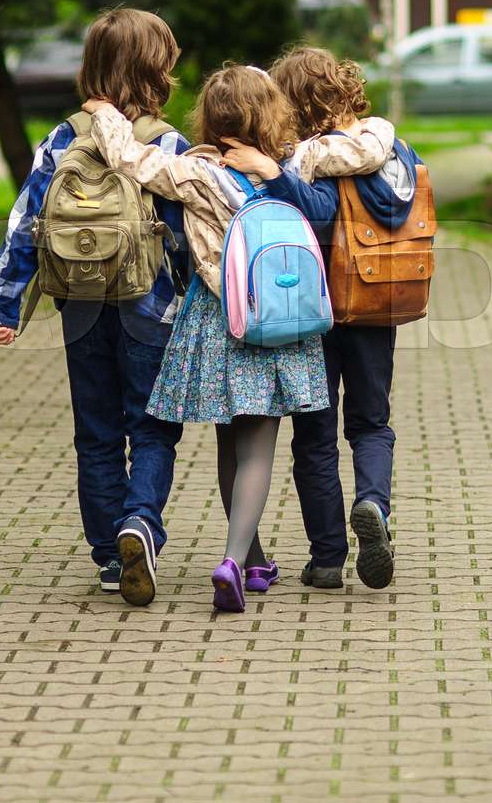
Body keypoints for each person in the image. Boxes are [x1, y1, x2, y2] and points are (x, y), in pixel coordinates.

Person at [79, 64, 396, 611]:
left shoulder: (196, 173)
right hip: (281, 320)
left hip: (219, 320)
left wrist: (105, 113)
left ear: (209, 117)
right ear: (274, 112)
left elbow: (130, 159)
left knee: (230, 439)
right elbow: (365, 151)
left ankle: (250, 560)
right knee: (256, 448)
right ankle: (234, 559)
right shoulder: (297, 160)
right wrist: (379, 126)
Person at [0, 8, 190, 606]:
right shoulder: (163, 144)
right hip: (148, 308)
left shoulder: (61, 138)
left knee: (95, 433)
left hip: (78, 303)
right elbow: (182, 235)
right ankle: (140, 525)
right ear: (156, 70)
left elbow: (25, 225)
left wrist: (5, 306)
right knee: (152, 430)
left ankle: (108, 555)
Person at [223, 46, 425, 591]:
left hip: (314, 311)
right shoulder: (392, 150)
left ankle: (329, 558)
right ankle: (373, 503)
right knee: (371, 422)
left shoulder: (311, 158)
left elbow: (316, 215)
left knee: (314, 436)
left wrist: (273, 174)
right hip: (378, 301)